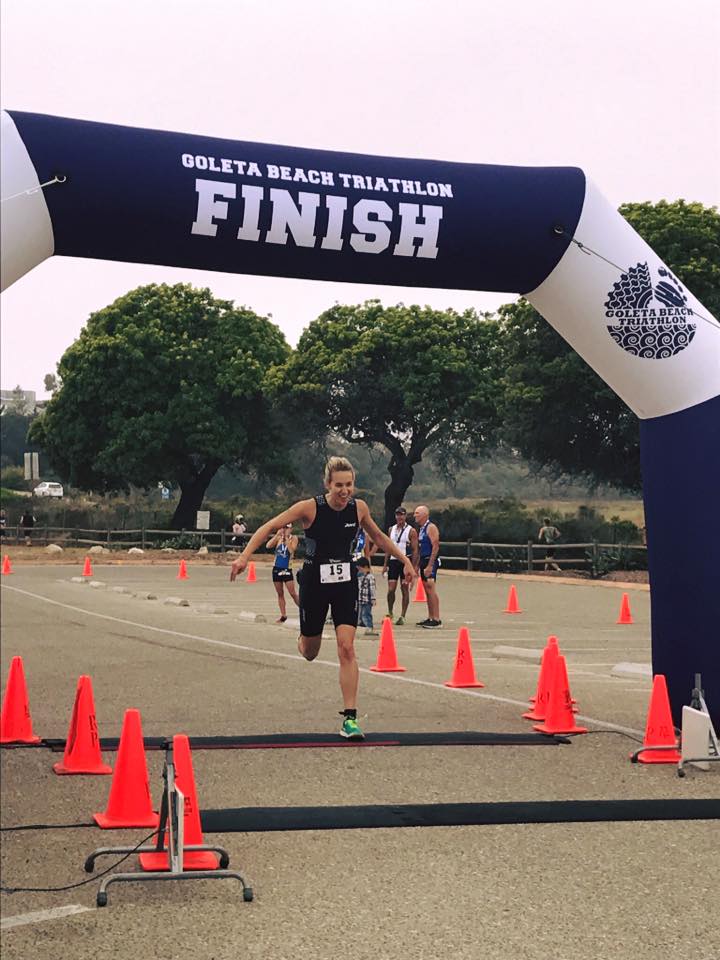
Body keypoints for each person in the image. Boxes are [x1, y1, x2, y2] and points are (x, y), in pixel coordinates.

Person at [230, 456, 414, 740]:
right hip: (314, 583)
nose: (345, 491)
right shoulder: (309, 507)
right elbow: (269, 526)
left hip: (345, 584)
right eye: (339, 485)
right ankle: (303, 638)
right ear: (328, 484)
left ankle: (350, 719)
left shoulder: (359, 508)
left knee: (347, 648)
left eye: (349, 485)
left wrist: (406, 561)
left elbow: (379, 536)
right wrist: (244, 557)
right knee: (310, 652)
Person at [382, 506, 419, 625]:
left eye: (402, 515)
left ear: (405, 516)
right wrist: (385, 564)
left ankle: (403, 615)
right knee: (391, 589)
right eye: (398, 515)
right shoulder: (391, 529)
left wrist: (413, 566)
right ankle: (390, 611)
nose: (400, 517)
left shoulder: (411, 531)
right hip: (393, 561)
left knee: (404, 588)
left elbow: (415, 550)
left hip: (405, 561)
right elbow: (388, 547)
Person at [413, 505, 441, 628]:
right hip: (423, 560)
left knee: (431, 588)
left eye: (417, 513)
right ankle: (430, 616)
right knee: (426, 590)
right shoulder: (421, 529)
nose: (415, 515)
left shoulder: (431, 527)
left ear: (424, 515)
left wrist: (430, 565)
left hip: (430, 560)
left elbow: (435, 546)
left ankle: (436, 618)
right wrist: (417, 566)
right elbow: (420, 549)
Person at [266, 522, 300, 622]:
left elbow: (291, 550)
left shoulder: (294, 538)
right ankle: (283, 615)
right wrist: (277, 536)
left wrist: (286, 539)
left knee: (292, 593)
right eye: (284, 528)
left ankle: (304, 610)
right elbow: (268, 545)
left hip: (287, 569)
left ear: (291, 529)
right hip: (277, 568)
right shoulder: (278, 538)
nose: (285, 530)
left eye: (287, 528)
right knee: (280, 593)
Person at [356, 557, 378, 636]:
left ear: (365, 567)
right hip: (360, 599)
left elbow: (372, 588)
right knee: (360, 614)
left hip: (367, 600)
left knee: (366, 614)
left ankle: (369, 627)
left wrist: (373, 598)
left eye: (360, 569)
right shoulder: (360, 577)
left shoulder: (370, 577)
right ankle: (362, 625)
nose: (359, 571)